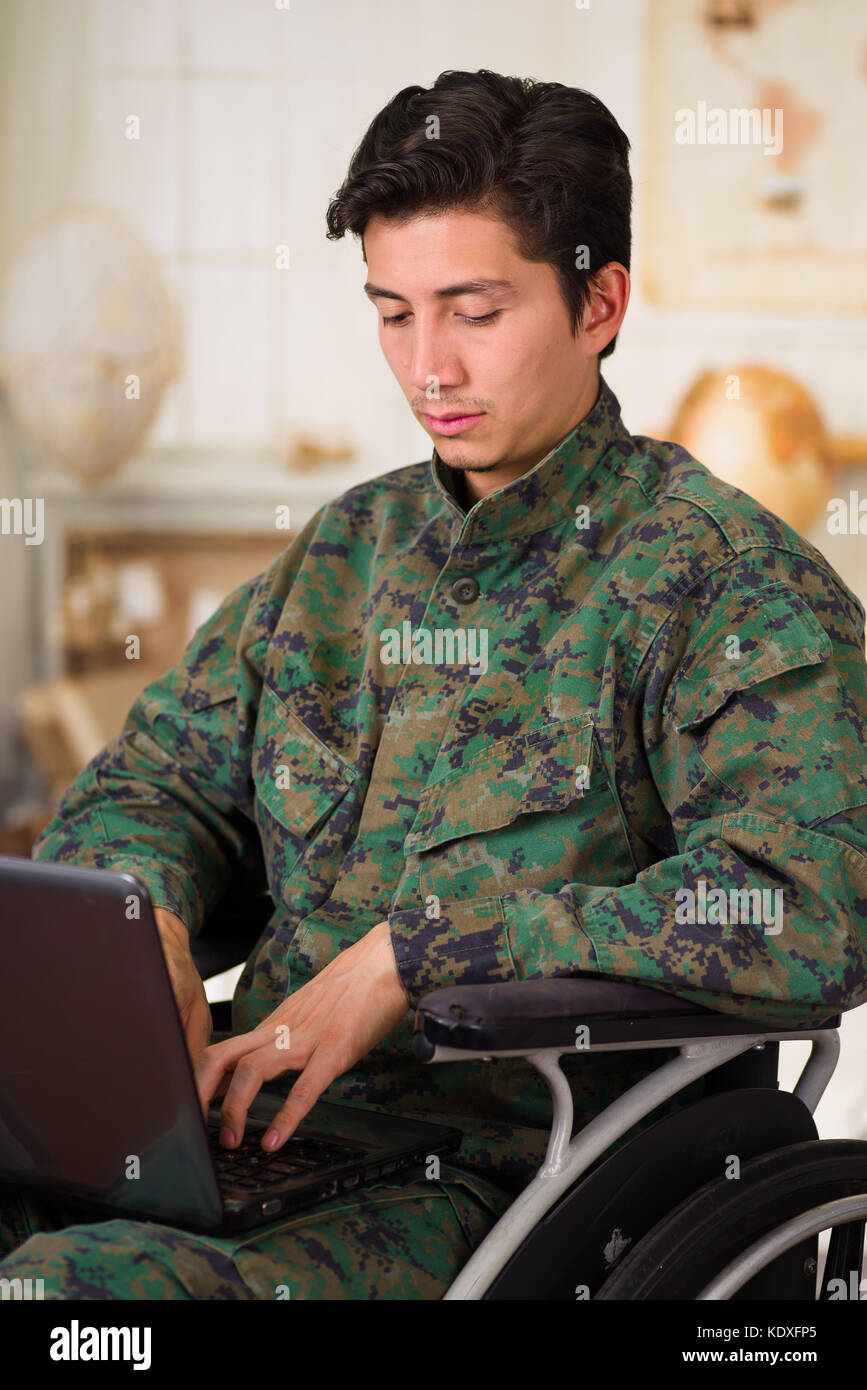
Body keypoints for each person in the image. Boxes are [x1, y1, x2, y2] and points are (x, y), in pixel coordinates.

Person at [2, 69, 866, 1300]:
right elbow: (156, 782)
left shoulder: (724, 587)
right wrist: (157, 923)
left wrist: (421, 955)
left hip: (505, 1181)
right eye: (393, 312)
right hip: (238, 1136)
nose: (429, 367)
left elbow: (807, 900)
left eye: (474, 310)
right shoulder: (341, 561)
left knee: (68, 1301)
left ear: (600, 302)